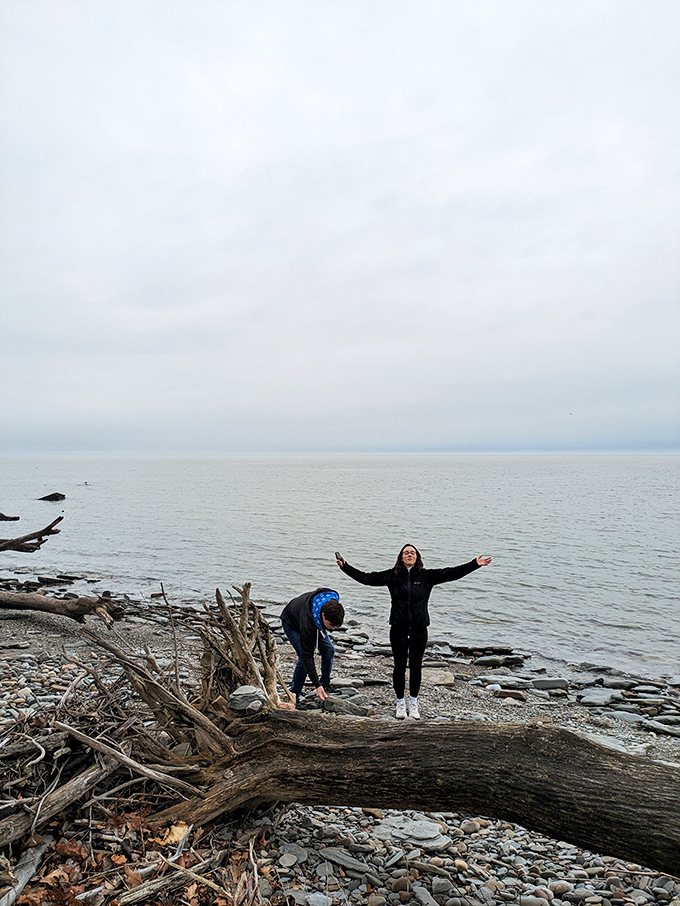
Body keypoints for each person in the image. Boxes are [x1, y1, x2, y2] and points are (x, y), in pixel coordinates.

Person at [336, 545, 491, 720]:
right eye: (406, 553)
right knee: (399, 666)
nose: (409, 554)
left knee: (416, 666)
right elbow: (366, 578)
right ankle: (400, 702)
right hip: (398, 628)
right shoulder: (392, 575)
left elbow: (452, 573)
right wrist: (345, 567)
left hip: (419, 628)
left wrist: (474, 564)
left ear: (417, 557)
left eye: (412, 552)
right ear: (401, 557)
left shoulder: (426, 576)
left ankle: (414, 702)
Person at [280, 587, 345, 707]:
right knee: (303, 661)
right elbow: (307, 657)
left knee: (329, 650)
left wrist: (320, 685)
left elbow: (320, 591)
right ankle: (294, 694)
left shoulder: (333, 599)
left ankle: (325, 683)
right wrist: (316, 684)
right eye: (331, 625)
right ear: (323, 615)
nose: (333, 629)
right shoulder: (308, 625)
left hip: (315, 620)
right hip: (292, 623)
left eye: (336, 626)